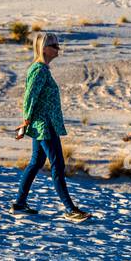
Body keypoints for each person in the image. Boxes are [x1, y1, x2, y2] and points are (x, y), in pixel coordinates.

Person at [12, 31, 90, 221]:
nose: (58, 49)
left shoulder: (42, 70)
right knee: (57, 165)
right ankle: (70, 209)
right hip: (43, 126)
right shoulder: (38, 70)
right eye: (54, 46)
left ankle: (20, 204)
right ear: (44, 48)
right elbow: (29, 96)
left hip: (46, 124)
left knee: (36, 163)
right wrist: (26, 120)